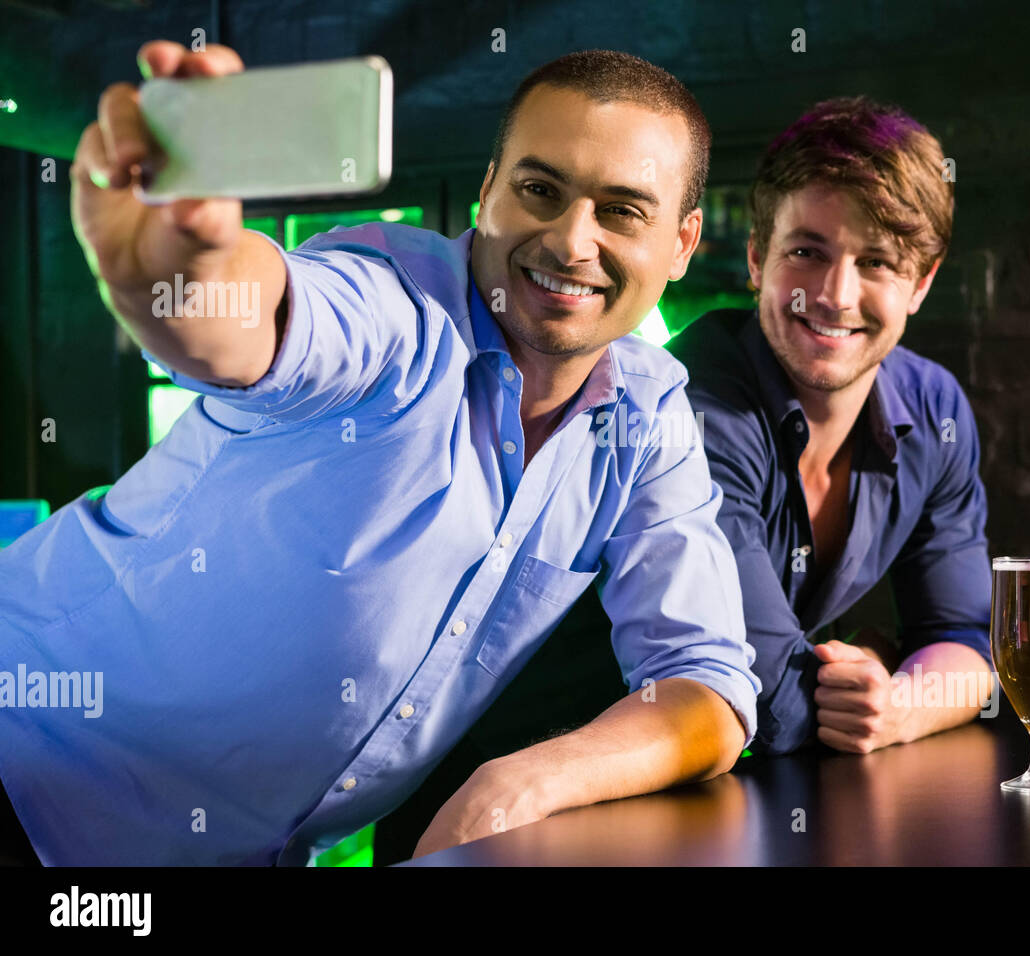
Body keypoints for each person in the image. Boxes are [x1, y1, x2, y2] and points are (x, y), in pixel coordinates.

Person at [0, 39, 759, 866]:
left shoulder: (646, 414)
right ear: (487, 191)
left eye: (621, 210)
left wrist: (523, 784)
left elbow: (706, 682)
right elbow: (259, 322)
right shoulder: (394, 305)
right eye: (539, 189)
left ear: (684, 242)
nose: (572, 241)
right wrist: (174, 280)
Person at [665, 96, 994, 756]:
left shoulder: (935, 409)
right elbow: (774, 698)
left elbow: (965, 643)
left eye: (876, 262)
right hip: (556, 781)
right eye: (808, 251)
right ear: (758, 258)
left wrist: (898, 706)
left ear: (920, 285)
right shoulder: (694, 397)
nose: (836, 295)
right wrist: (877, 685)